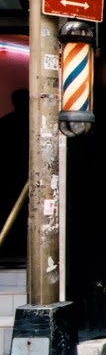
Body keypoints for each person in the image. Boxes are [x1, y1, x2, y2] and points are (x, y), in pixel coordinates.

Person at [0, 89, 28, 258]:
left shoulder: (5, 123)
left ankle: (9, 247)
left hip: (8, 174)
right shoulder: (34, 123)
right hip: (24, 172)